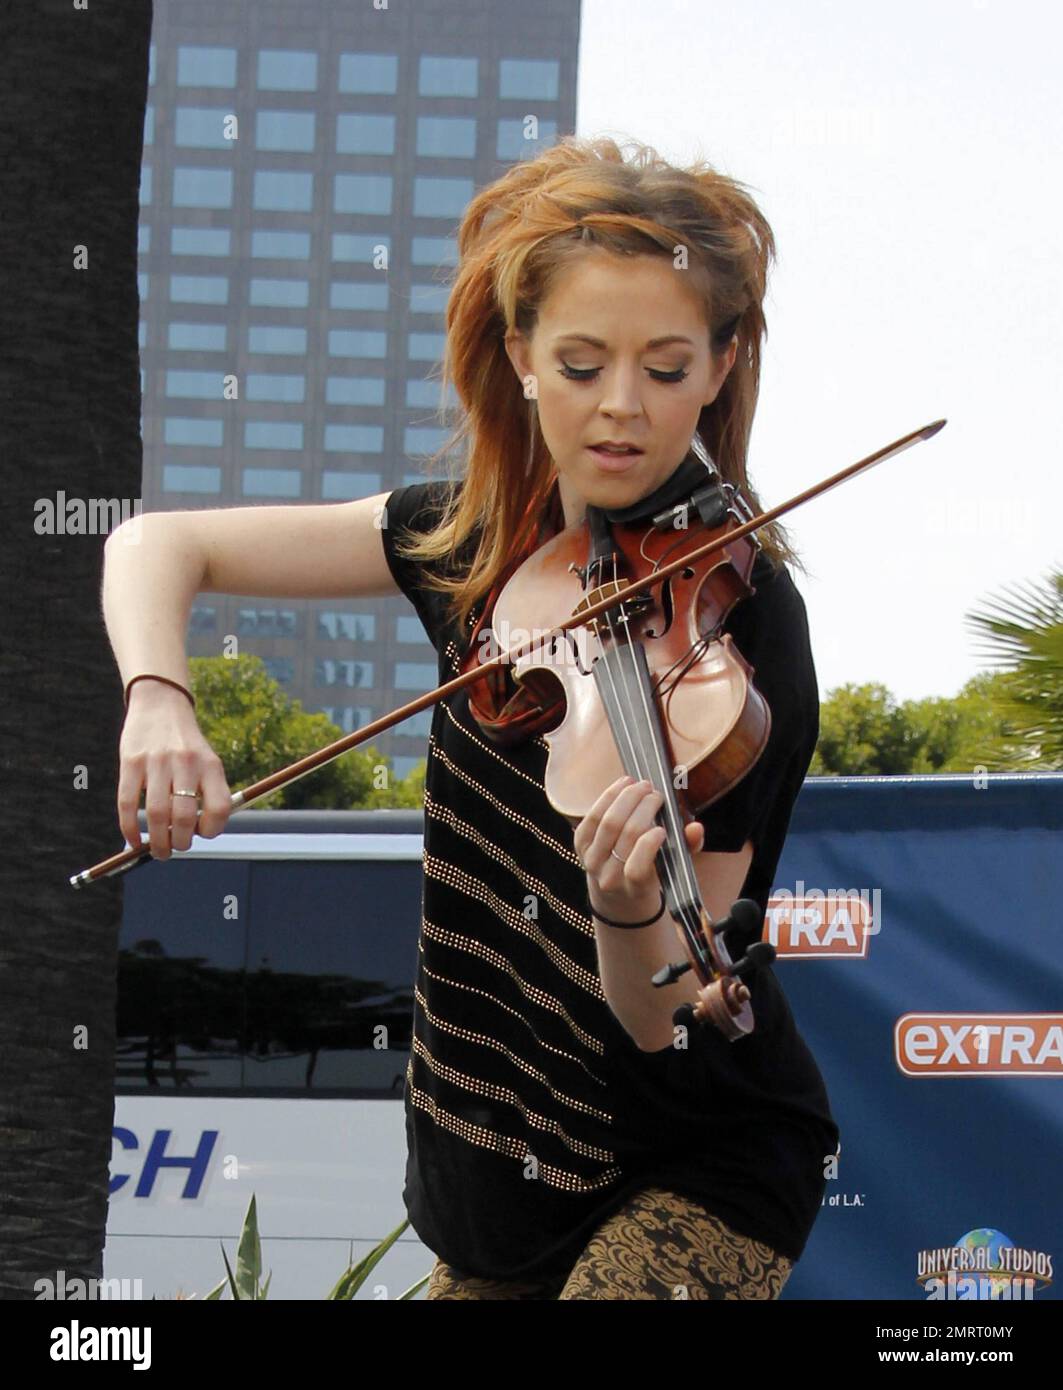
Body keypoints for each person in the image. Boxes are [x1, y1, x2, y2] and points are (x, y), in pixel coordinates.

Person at [102, 135, 839, 1300]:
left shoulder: (747, 631)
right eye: (583, 362)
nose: (620, 409)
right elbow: (156, 542)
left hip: (694, 1163)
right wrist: (159, 696)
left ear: (720, 364)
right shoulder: (466, 543)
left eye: (664, 366)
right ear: (522, 356)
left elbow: (667, 1018)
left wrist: (622, 902)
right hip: (501, 1189)